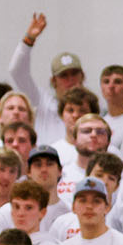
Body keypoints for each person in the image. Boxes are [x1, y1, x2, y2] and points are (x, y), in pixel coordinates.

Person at [10, 12, 82, 146]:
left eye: (74, 74)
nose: (70, 80)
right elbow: (17, 72)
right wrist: (29, 39)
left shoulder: (91, 106)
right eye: (64, 76)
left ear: (82, 76)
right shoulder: (41, 101)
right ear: (53, 81)